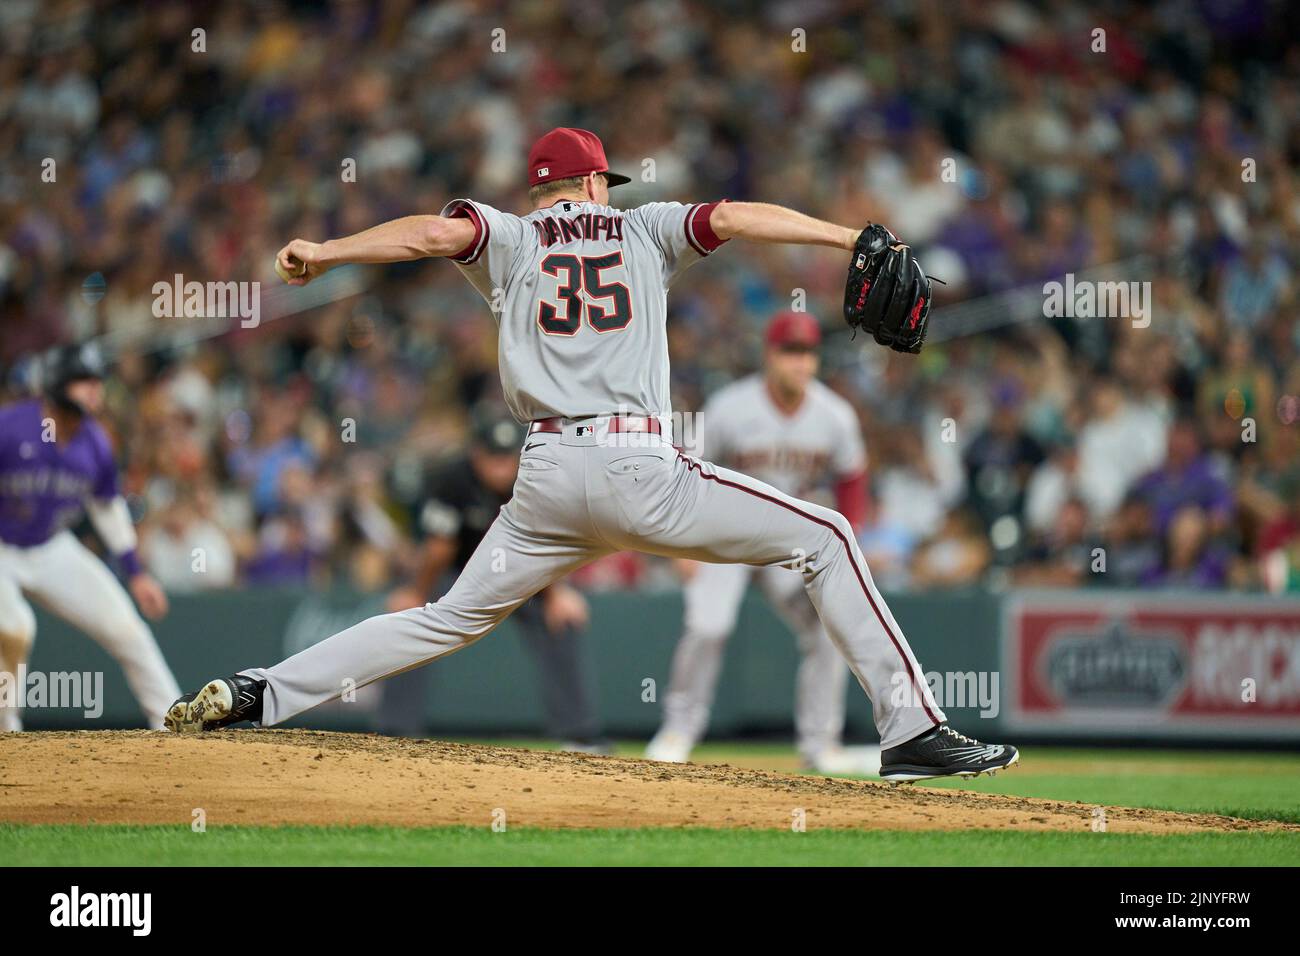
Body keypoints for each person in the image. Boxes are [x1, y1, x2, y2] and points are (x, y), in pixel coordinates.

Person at [168, 127, 1019, 782]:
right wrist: (848, 238)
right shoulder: (644, 227)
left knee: (442, 620)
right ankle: (910, 730)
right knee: (827, 535)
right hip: (638, 467)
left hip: (544, 480)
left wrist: (326, 251)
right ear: (587, 182)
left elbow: (430, 236)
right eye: (600, 179)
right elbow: (733, 216)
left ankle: (258, 690)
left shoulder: (506, 236)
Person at [646, 310, 879, 774]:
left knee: (827, 627)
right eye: (790, 352)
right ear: (769, 355)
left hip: (788, 541)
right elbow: (682, 472)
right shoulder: (731, 406)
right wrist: (680, 545)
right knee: (708, 626)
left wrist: (849, 544)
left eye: (808, 353)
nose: (800, 363)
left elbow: (853, 482)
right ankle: (678, 730)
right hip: (724, 535)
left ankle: (821, 745)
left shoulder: (835, 415)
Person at [381, 406, 607, 751]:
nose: (501, 468)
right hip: (460, 574)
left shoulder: (535, 477)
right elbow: (438, 550)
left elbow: (548, 543)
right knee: (412, 620)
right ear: (476, 454)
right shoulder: (453, 479)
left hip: (520, 573)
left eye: (506, 458)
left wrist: (559, 594)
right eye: (492, 458)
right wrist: (416, 592)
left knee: (563, 620)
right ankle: (394, 733)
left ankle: (579, 737)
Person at [0, 343, 180, 730]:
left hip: (51, 547)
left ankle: (171, 721)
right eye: (85, 381)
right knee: (15, 626)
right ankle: (5, 732)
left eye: (97, 382)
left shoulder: (96, 442)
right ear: (58, 382)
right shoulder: (12, 427)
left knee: (127, 628)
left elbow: (107, 507)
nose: (95, 391)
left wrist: (136, 572)